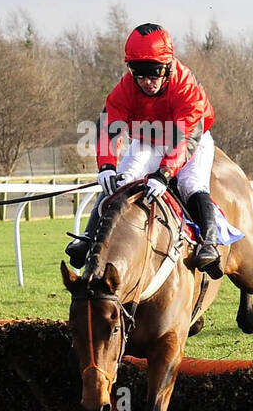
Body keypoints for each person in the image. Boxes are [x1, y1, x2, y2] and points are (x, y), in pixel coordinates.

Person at [66, 23, 222, 274]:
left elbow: (183, 138)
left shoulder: (185, 85)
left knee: (190, 184)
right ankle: (89, 236)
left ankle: (209, 245)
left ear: (168, 66)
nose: (147, 82)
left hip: (192, 138)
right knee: (120, 182)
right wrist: (106, 166)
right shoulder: (127, 86)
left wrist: (164, 174)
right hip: (149, 139)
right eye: (139, 73)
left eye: (155, 72)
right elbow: (109, 125)